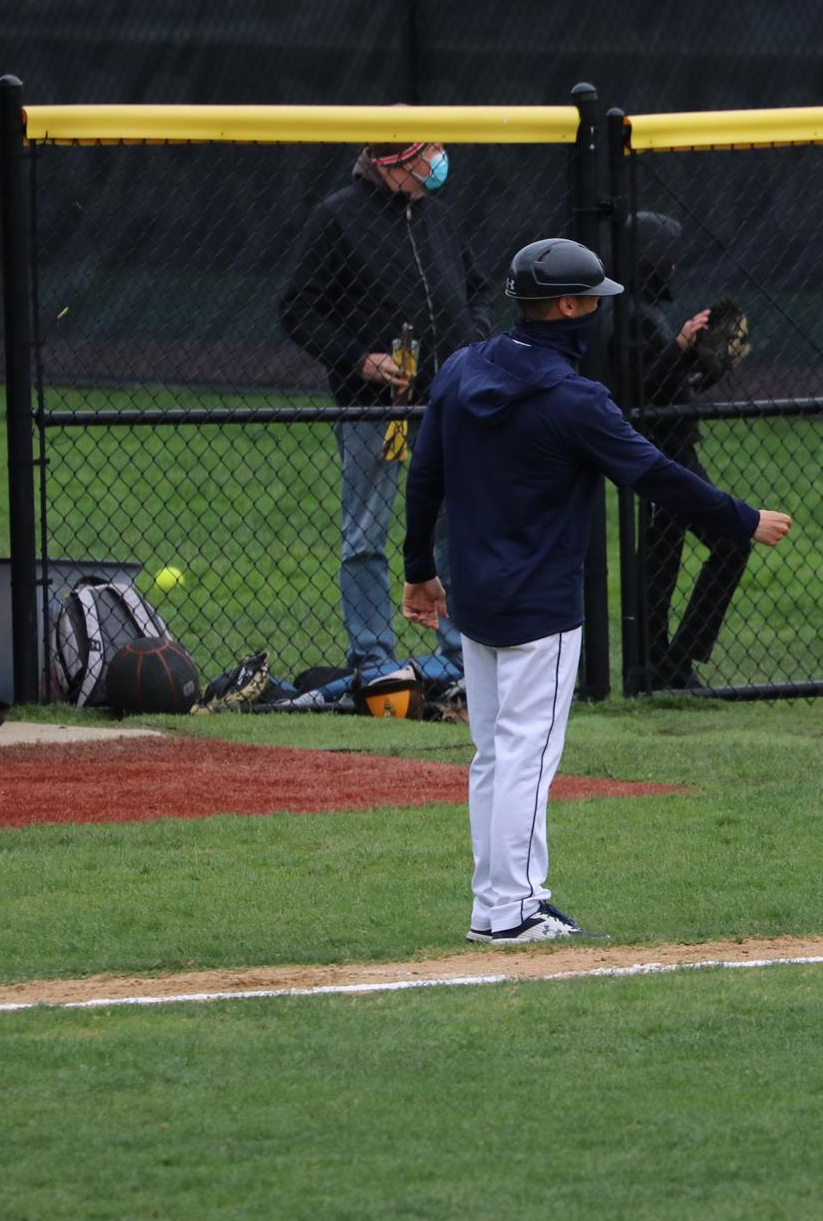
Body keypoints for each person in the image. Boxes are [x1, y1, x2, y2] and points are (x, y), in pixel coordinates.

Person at [401, 238, 792, 945]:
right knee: (526, 752)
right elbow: (656, 474)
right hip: (542, 606)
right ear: (570, 307)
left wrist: (416, 566)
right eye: (593, 302)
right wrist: (741, 519)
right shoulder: (573, 399)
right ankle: (518, 908)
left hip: (477, 599)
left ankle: (493, 905)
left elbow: (425, 469)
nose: (600, 314)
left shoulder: (463, 368)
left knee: (494, 752)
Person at [281, 138, 489, 677]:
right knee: (366, 533)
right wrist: (360, 360)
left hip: (446, 406)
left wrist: (475, 345)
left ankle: (455, 656)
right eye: (427, 152)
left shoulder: (439, 216)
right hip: (376, 408)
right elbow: (297, 308)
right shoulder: (339, 217)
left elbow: (477, 291)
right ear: (389, 162)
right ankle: (373, 661)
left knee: (452, 527)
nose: (438, 160)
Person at [623, 211, 752, 690]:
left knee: (675, 553)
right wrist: (678, 347)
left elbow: (668, 384)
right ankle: (664, 665)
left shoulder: (647, 310)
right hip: (658, 456)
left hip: (675, 451)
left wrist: (698, 366)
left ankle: (668, 663)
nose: (672, 268)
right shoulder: (628, 313)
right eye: (665, 258)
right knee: (684, 553)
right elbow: (636, 391)